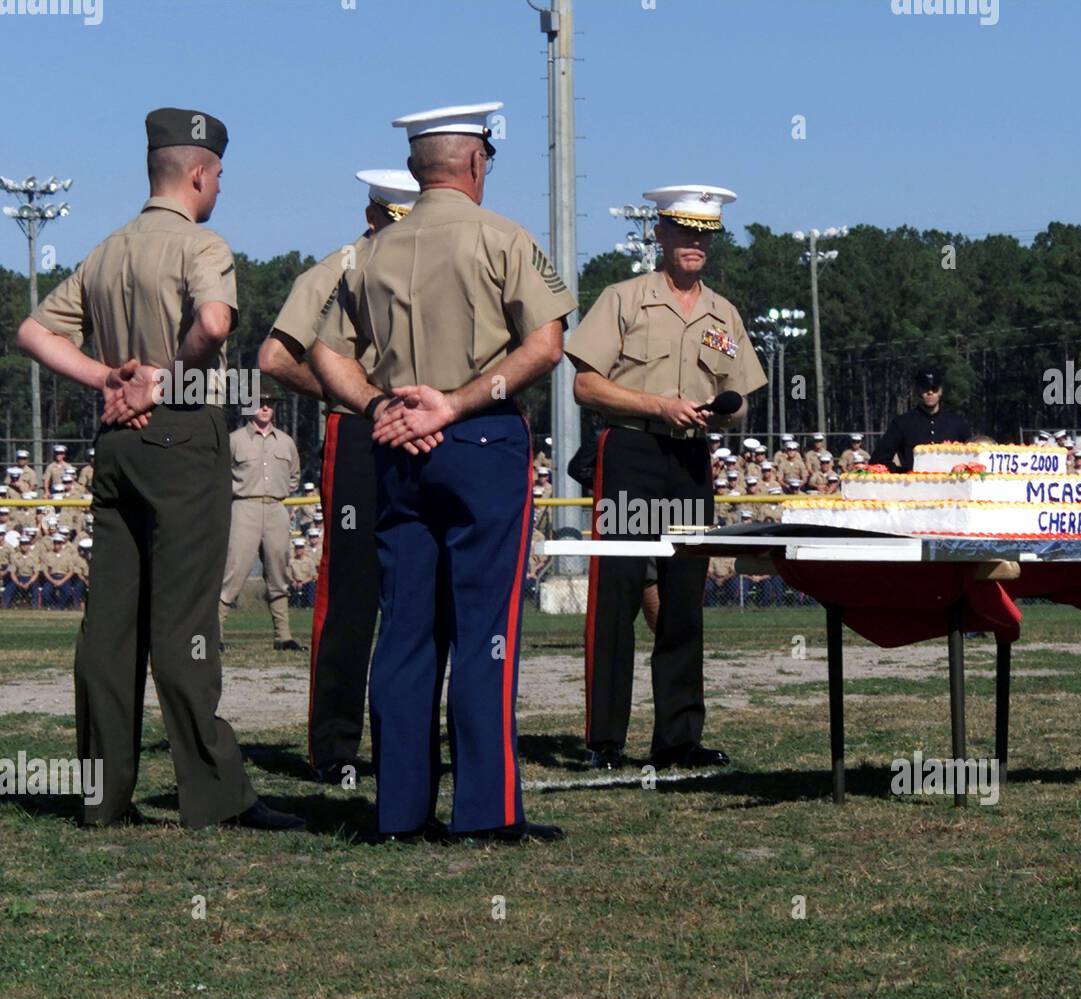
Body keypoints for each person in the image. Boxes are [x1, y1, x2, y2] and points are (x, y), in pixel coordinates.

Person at [14, 106, 300, 829]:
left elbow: (31, 331)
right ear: (199, 174)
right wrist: (160, 382)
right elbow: (213, 325)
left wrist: (111, 381)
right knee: (184, 627)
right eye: (219, 177)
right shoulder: (201, 245)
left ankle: (100, 797)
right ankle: (216, 794)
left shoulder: (107, 250)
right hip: (182, 433)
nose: (219, 188)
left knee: (108, 628)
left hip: (116, 444)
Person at [310, 101, 575, 843]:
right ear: (476, 163)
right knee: (487, 632)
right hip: (480, 440)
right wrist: (453, 405)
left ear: (417, 170)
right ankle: (486, 814)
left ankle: (399, 812)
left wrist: (379, 406)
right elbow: (546, 346)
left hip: (397, 445)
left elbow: (322, 352)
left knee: (406, 631)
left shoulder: (369, 253)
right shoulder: (504, 238)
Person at [566, 184, 767, 771]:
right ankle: (603, 741)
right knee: (617, 596)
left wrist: (723, 410)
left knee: (684, 602)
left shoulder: (722, 313)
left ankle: (678, 739)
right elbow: (585, 385)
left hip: (689, 460)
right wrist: (657, 406)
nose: (695, 243)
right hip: (629, 452)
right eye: (684, 231)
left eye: (704, 234)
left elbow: (742, 400)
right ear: (660, 234)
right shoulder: (624, 298)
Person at [258, 168, 419, 783]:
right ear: (373, 213)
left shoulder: (425, 264)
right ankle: (335, 748)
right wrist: (351, 396)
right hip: (358, 433)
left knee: (416, 595)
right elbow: (274, 357)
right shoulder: (339, 268)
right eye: (396, 222)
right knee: (350, 593)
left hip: (425, 424)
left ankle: (404, 741)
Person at [217, 384, 303, 649]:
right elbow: (220, 474)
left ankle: (283, 636)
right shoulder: (234, 440)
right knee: (234, 571)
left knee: (279, 572)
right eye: (259, 402)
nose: (265, 407)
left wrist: (278, 496)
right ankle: (213, 635)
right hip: (244, 507)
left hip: (277, 508)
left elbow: (294, 477)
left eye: (270, 403)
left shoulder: (286, 442)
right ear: (248, 407)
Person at [871, 368, 971, 472]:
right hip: (913, 485)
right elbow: (878, 460)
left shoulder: (957, 423)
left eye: (934, 388)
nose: (930, 392)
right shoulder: (902, 423)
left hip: (952, 485)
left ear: (941, 390)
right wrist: (903, 474)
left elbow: (971, 459)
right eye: (925, 388)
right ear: (918, 390)